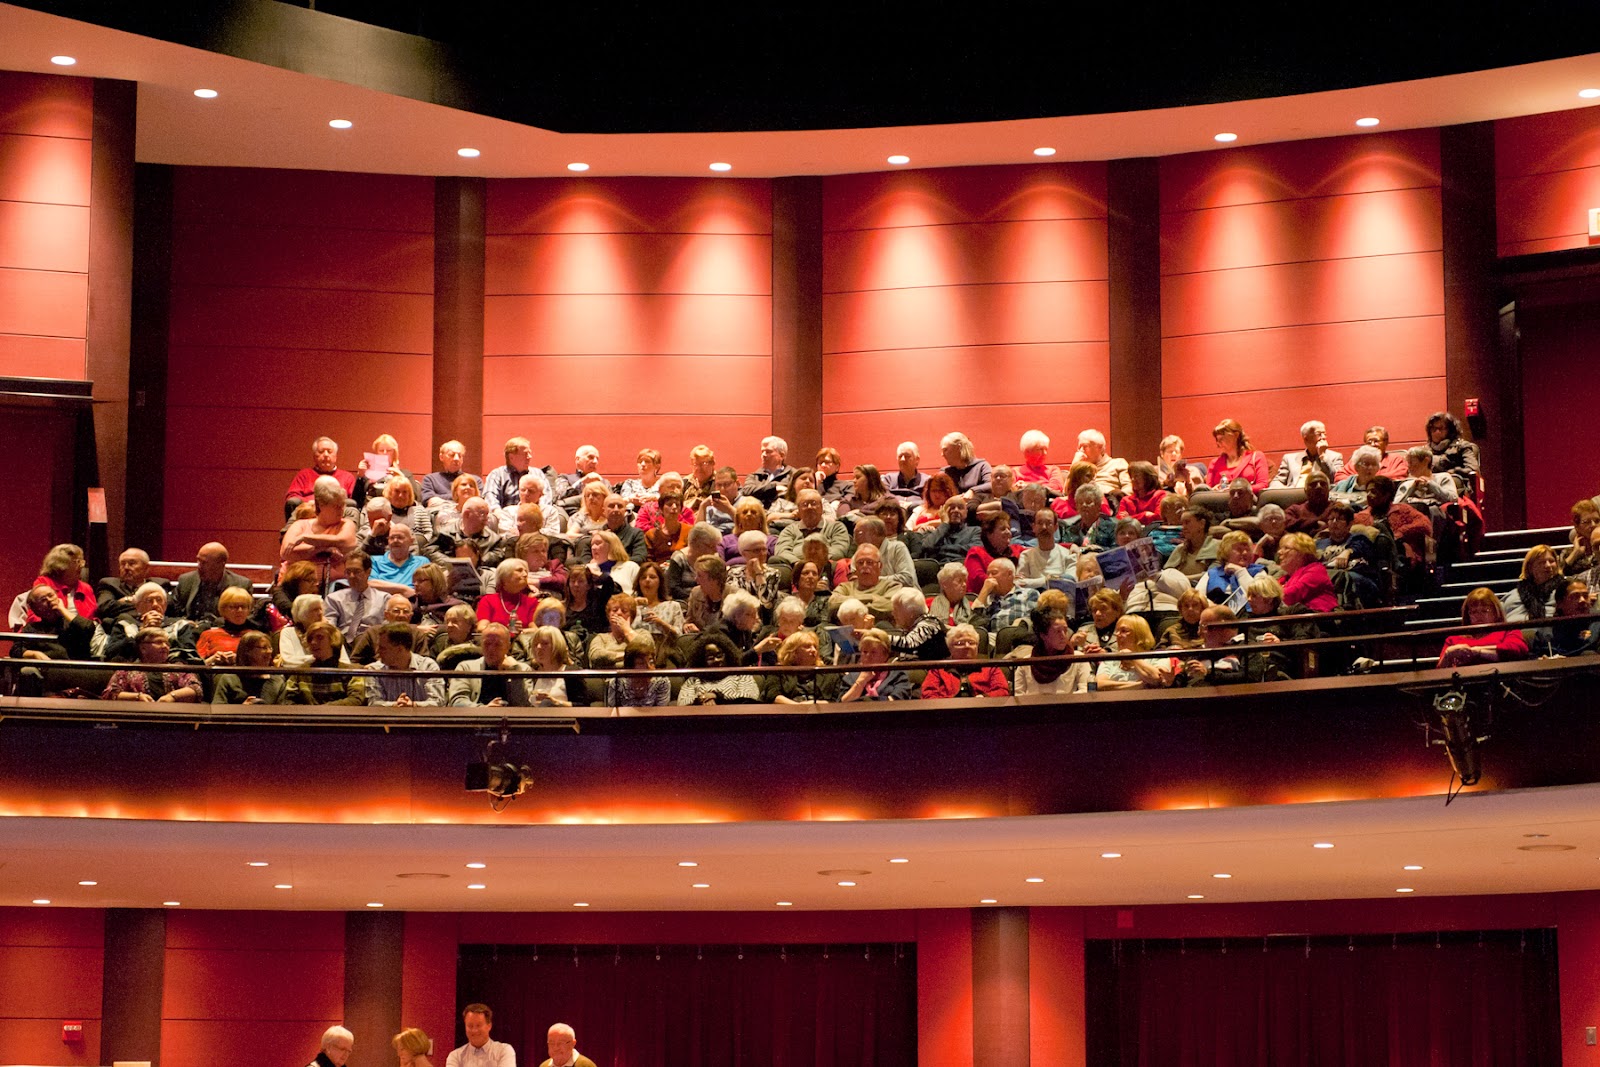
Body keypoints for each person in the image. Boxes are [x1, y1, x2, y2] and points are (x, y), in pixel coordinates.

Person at [281, 474, 359, 581]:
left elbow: (345, 541)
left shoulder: (346, 524)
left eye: (342, 506)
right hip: (297, 581)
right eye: (336, 506)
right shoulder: (300, 524)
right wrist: (322, 549)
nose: (341, 510)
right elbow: (286, 553)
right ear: (321, 506)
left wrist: (305, 539)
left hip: (335, 584)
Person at [103, 628, 201, 702]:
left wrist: (172, 696)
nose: (165, 646)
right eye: (159, 642)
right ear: (143, 648)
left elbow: (195, 688)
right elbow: (110, 693)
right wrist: (137, 697)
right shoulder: (127, 669)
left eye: (167, 643)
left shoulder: (177, 667)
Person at [1439, 588, 1529, 668]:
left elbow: (1516, 650)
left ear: (1496, 612)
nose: (1479, 615)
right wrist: (1448, 653)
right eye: (1474, 612)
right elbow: (1439, 673)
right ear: (1468, 615)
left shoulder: (1508, 631)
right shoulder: (1453, 639)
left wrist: (1476, 652)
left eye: (1485, 610)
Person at [448, 623, 532, 707]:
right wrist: (484, 709)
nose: (491, 649)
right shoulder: (466, 668)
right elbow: (457, 702)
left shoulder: (523, 670)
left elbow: (525, 706)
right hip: (477, 718)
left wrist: (515, 673)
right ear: (480, 644)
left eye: (497, 644)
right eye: (487, 644)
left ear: (508, 647)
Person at [1009, 610, 1090, 695]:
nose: (1063, 636)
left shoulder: (1078, 659)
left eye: (1065, 630)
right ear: (1043, 635)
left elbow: (1086, 691)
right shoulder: (1026, 663)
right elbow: (1017, 696)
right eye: (1057, 631)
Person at [921, 622, 1009, 698]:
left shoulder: (990, 667)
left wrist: (984, 698)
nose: (967, 646)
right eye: (960, 643)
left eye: (971, 642)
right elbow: (928, 694)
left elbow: (1002, 691)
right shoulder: (938, 669)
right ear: (950, 648)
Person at [365, 623, 446, 706]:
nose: (377, 652)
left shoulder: (428, 666)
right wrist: (394, 705)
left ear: (400, 649)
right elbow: (373, 703)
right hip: (388, 718)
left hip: (422, 718)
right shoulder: (375, 670)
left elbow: (438, 701)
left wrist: (414, 705)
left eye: (383, 648)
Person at [174, 542, 253, 624]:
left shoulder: (241, 585)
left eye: (204, 562)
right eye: (198, 560)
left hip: (224, 631)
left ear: (221, 564)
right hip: (189, 631)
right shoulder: (186, 580)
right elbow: (173, 612)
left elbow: (246, 618)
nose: (199, 566)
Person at [677, 629, 761, 704]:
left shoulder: (741, 676)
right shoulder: (693, 680)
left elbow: (750, 697)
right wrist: (702, 699)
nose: (716, 660)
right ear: (701, 661)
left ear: (727, 655)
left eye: (719, 655)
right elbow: (682, 703)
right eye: (710, 658)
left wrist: (716, 696)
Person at [1094, 615, 1176, 690]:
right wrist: (1139, 685)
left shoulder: (1158, 657)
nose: (1117, 635)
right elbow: (1099, 685)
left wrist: (1132, 658)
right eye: (1117, 631)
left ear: (1139, 634)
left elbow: (1156, 679)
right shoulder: (1109, 660)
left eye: (1124, 631)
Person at [774, 489, 851, 567]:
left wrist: (818, 564)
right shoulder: (789, 530)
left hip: (827, 567)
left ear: (821, 507)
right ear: (799, 509)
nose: (809, 507)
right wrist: (800, 565)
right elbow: (782, 551)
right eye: (805, 504)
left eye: (814, 503)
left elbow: (838, 551)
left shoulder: (836, 527)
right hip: (796, 569)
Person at [285, 437, 356, 521]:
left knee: (351, 504)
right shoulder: (304, 474)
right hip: (308, 511)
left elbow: (353, 499)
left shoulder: (347, 477)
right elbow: (292, 496)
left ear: (335, 456)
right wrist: (313, 503)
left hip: (337, 512)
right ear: (314, 456)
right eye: (321, 452)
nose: (326, 455)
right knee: (293, 502)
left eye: (329, 452)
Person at [96, 547, 171, 620]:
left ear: (146, 568)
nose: (126, 567)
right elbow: (104, 608)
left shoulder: (159, 584)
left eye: (132, 563)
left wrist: (127, 600)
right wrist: (144, 603)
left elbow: (169, 607)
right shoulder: (109, 584)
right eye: (123, 564)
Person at [838, 628, 913, 702]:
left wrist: (865, 701)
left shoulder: (898, 676)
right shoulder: (850, 677)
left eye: (873, 652)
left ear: (885, 655)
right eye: (864, 652)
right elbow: (842, 704)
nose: (868, 656)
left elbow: (897, 701)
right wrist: (860, 682)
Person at [211, 631, 284, 705]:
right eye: (264, 647)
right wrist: (242, 709)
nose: (269, 652)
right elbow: (218, 708)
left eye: (270, 648)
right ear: (248, 651)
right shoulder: (229, 679)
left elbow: (285, 710)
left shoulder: (277, 681)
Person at [1271, 419, 1343, 488]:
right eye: (1319, 434)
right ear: (1306, 439)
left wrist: (1323, 456)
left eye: (1324, 434)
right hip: (1295, 496)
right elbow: (1278, 481)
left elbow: (1336, 480)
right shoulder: (1289, 459)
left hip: (1321, 495)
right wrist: (1284, 491)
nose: (1323, 437)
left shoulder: (1335, 457)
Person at [1276, 532, 1338, 612]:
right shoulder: (1285, 578)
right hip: (1294, 620)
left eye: (1286, 548)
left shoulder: (1316, 570)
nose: (1279, 552)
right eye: (1280, 548)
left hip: (1317, 619)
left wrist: (1268, 595)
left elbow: (1292, 594)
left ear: (1302, 553)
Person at [1205, 418, 1270, 491]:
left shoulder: (1256, 456)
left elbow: (1263, 485)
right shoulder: (1214, 463)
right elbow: (1207, 490)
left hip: (1247, 500)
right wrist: (1214, 490)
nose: (1218, 443)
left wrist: (1238, 489)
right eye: (1217, 439)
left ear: (1236, 435)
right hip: (1220, 500)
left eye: (1222, 438)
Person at [1426, 410, 1481, 495]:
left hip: (1452, 489)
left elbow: (1473, 470)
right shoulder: (1424, 451)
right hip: (1428, 486)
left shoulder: (1461, 446)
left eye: (1440, 428)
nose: (1437, 432)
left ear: (1450, 430)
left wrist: (1455, 471)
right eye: (1433, 429)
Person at [607, 633, 670, 707]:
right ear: (630, 666)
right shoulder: (617, 682)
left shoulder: (662, 682)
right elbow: (612, 713)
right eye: (641, 663)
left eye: (651, 662)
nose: (649, 667)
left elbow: (662, 714)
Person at [1502, 544, 1561, 623]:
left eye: (1551, 561)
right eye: (1541, 562)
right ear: (1530, 567)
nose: (1548, 565)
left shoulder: (1565, 591)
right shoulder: (1511, 595)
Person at [446, 1004, 514, 1067]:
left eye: (478, 1025)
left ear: (489, 1026)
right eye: (470, 1026)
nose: (474, 1030)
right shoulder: (455, 1056)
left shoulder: (504, 1051)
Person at [738, 435, 795, 508]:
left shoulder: (794, 474)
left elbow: (794, 495)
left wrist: (761, 491)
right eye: (762, 451)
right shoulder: (754, 476)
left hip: (783, 516)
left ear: (781, 455)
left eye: (768, 451)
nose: (763, 455)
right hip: (757, 516)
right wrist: (774, 488)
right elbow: (747, 491)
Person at [421, 440, 482, 508]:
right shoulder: (430, 479)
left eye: (460, 455)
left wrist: (439, 497)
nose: (456, 458)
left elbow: (478, 501)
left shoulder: (475, 480)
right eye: (452, 455)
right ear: (441, 457)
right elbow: (429, 500)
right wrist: (463, 497)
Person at [1394, 444, 1459, 507]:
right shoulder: (1406, 484)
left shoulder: (1443, 477)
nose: (1409, 466)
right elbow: (1396, 506)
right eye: (1408, 462)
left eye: (1411, 462)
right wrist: (1412, 489)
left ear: (1426, 461)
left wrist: (1431, 484)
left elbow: (1453, 499)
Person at [1072, 428, 1132, 496]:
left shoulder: (1118, 463)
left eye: (1085, 446)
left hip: (1110, 501)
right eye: (1079, 447)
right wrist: (1074, 466)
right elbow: (1066, 492)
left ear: (1099, 447)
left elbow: (1129, 488)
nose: (1081, 451)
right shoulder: (1080, 469)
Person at [368, 522, 424, 592]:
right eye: (391, 538)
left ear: (411, 541)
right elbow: (370, 583)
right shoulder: (374, 561)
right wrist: (404, 589)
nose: (395, 541)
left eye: (400, 537)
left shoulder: (422, 562)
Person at [482, 437, 535, 510]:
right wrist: (501, 515)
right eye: (526, 454)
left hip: (535, 517)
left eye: (530, 453)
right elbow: (490, 497)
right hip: (504, 517)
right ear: (511, 457)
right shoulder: (497, 474)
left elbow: (546, 497)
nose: (530, 457)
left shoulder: (537, 474)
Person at [1164, 508, 1218, 577]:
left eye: (1187, 522)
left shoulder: (1217, 547)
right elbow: (1166, 574)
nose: (1183, 527)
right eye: (1182, 524)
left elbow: (1212, 575)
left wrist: (1183, 580)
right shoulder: (1180, 549)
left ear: (1202, 524)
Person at [1117, 462, 1168, 526]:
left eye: (1137, 476)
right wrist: (1145, 515)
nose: (1133, 479)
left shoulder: (1160, 495)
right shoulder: (1126, 500)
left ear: (1148, 478)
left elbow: (1158, 518)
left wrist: (1129, 518)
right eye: (1131, 477)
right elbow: (1120, 521)